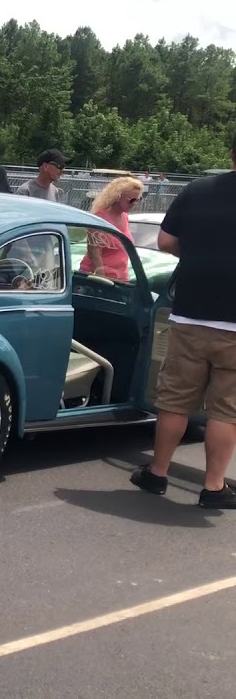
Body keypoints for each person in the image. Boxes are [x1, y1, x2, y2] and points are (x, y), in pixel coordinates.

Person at [129, 135, 236, 509]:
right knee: (227, 409)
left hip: (191, 311)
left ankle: (158, 473)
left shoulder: (197, 190)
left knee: (175, 399)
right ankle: (214, 487)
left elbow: (164, 241)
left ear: (231, 153)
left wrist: (196, 254)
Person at [79, 176, 142, 282]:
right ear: (117, 196)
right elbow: (95, 255)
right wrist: (103, 282)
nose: (134, 204)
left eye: (137, 200)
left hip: (120, 278)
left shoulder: (124, 216)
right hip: (99, 279)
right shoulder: (99, 218)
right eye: (131, 200)